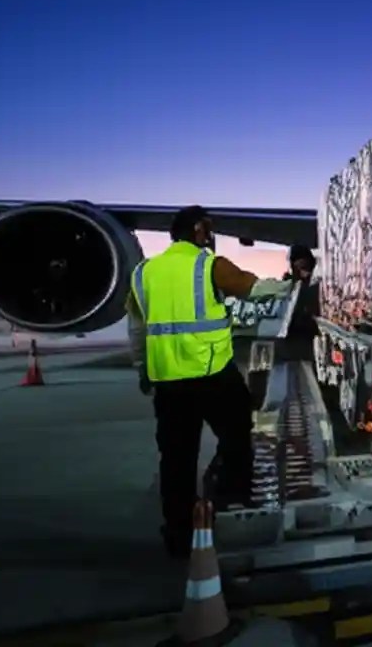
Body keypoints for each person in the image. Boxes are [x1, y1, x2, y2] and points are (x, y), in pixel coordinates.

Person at [125, 205, 292, 559]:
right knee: (236, 435)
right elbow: (257, 289)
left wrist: (143, 369)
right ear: (200, 230)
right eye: (209, 230)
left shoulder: (145, 272)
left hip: (169, 383)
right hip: (212, 374)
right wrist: (292, 284)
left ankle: (178, 536)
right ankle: (231, 503)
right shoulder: (208, 265)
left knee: (175, 459)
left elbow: (138, 329)